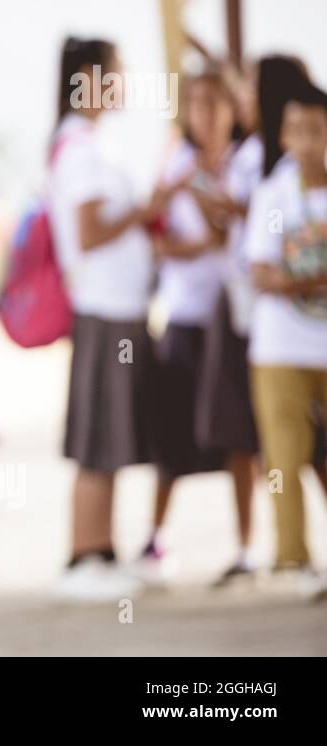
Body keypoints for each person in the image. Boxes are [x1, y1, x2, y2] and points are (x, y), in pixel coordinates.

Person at [48, 37, 167, 601]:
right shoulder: (79, 148)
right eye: (116, 73)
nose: (123, 83)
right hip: (104, 308)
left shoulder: (91, 142)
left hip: (118, 306)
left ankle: (100, 550)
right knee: (98, 433)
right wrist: (147, 210)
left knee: (111, 431)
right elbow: (91, 231)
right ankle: (82, 555)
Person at [139, 71, 235, 583]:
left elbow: (226, 230)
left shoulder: (246, 162)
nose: (206, 113)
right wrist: (180, 185)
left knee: (246, 436)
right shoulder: (174, 163)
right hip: (184, 313)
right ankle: (154, 537)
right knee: (172, 431)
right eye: (196, 104)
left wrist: (200, 191)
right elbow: (154, 232)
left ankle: (251, 545)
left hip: (234, 317)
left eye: (215, 102)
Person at [247, 81, 327, 600]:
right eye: (295, 130)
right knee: (284, 459)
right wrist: (305, 282)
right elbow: (260, 271)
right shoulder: (272, 196)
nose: (305, 141)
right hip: (280, 349)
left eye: (315, 131)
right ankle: (294, 559)